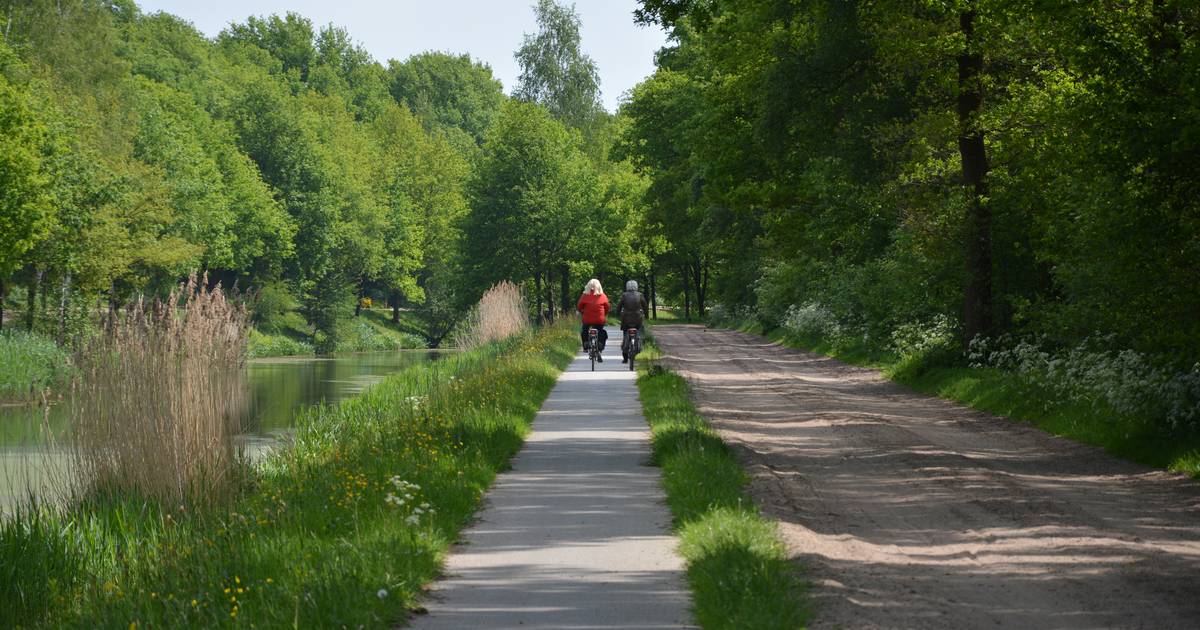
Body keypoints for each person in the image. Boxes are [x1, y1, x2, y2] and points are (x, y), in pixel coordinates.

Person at [615, 280, 649, 363]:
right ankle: (638, 346)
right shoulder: (640, 295)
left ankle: (625, 357)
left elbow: (619, 306)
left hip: (626, 319)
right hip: (638, 319)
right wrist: (646, 315)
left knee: (625, 335)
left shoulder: (624, 295)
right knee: (639, 332)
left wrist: (618, 314)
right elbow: (645, 306)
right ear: (636, 286)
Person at [576, 278, 609, 360]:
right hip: (599, 320)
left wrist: (582, 311)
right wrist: (604, 314)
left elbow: (579, 306)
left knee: (584, 330)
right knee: (601, 331)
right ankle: (600, 344)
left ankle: (586, 344)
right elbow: (607, 307)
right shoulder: (603, 296)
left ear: (588, 286)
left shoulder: (584, 295)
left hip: (587, 319)